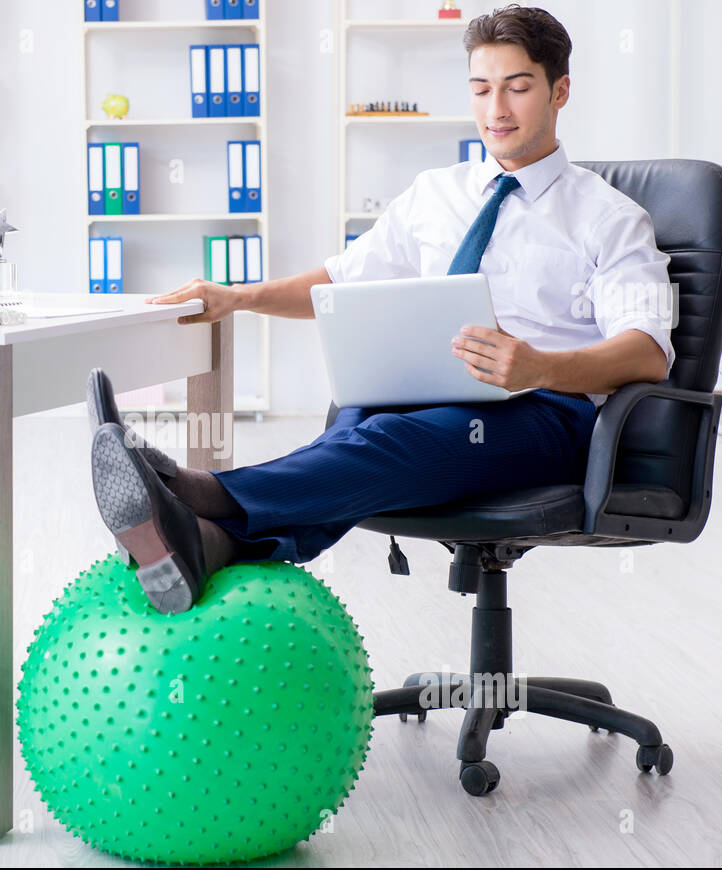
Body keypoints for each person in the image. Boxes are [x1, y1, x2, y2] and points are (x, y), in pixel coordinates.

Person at [86, 4, 675, 615]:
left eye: (518, 88)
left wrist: (539, 366)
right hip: (431, 389)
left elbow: (648, 352)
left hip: (545, 414)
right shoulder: (434, 193)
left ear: (560, 91)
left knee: (384, 438)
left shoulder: (607, 217)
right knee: (358, 415)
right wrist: (238, 297)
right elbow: (338, 282)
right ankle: (212, 543)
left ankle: (191, 492)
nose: (496, 109)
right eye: (480, 88)